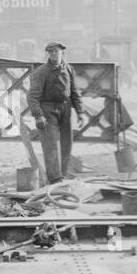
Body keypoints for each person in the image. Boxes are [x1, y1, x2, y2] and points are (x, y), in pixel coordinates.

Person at [26, 41, 87, 183]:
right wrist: (38, 115)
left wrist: (81, 112)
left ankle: (63, 174)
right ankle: (54, 178)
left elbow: (74, 92)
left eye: (57, 51)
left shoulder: (69, 69)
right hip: (48, 110)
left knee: (67, 144)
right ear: (48, 54)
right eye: (51, 52)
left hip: (65, 109)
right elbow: (33, 96)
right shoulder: (41, 72)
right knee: (51, 144)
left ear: (62, 53)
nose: (54, 54)